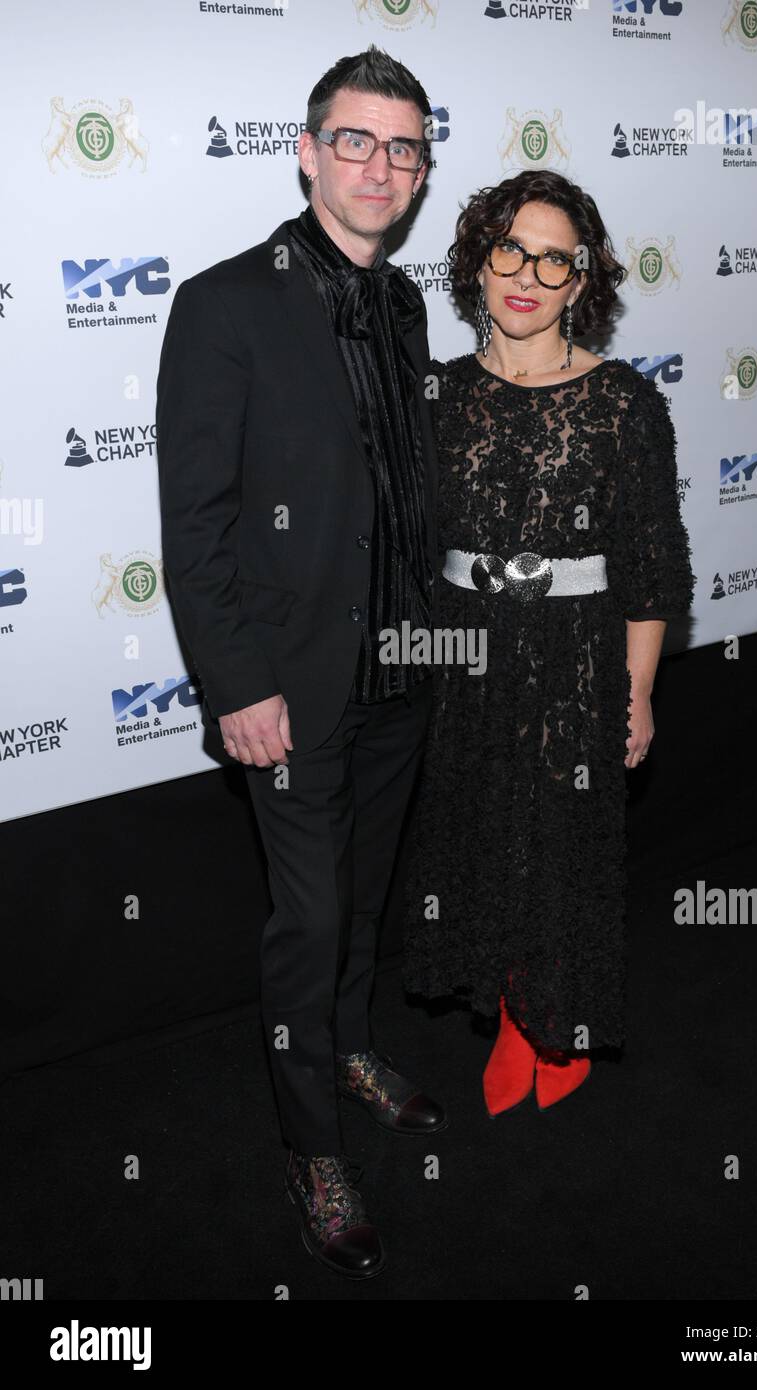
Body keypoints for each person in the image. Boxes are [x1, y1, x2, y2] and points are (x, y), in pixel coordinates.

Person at [156, 46, 447, 1282]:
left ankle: (346, 1046)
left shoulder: (403, 301)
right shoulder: (226, 302)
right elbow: (197, 521)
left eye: (403, 147)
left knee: (367, 894)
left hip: (399, 661)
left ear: (421, 167)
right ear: (305, 147)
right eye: (355, 140)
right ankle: (309, 1142)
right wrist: (236, 685)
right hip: (287, 684)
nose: (378, 165)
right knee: (310, 914)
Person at [402, 169, 696, 1117]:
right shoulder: (435, 393)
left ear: (581, 282)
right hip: (461, 648)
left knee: (559, 838)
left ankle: (551, 1021)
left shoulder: (622, 403)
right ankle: (506, 1005)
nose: (526, 273)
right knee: (481, 828)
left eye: (552, 258)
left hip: (575, 649)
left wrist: (637, 692)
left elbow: (652, 568)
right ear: (478, 265)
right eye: (507, 250)